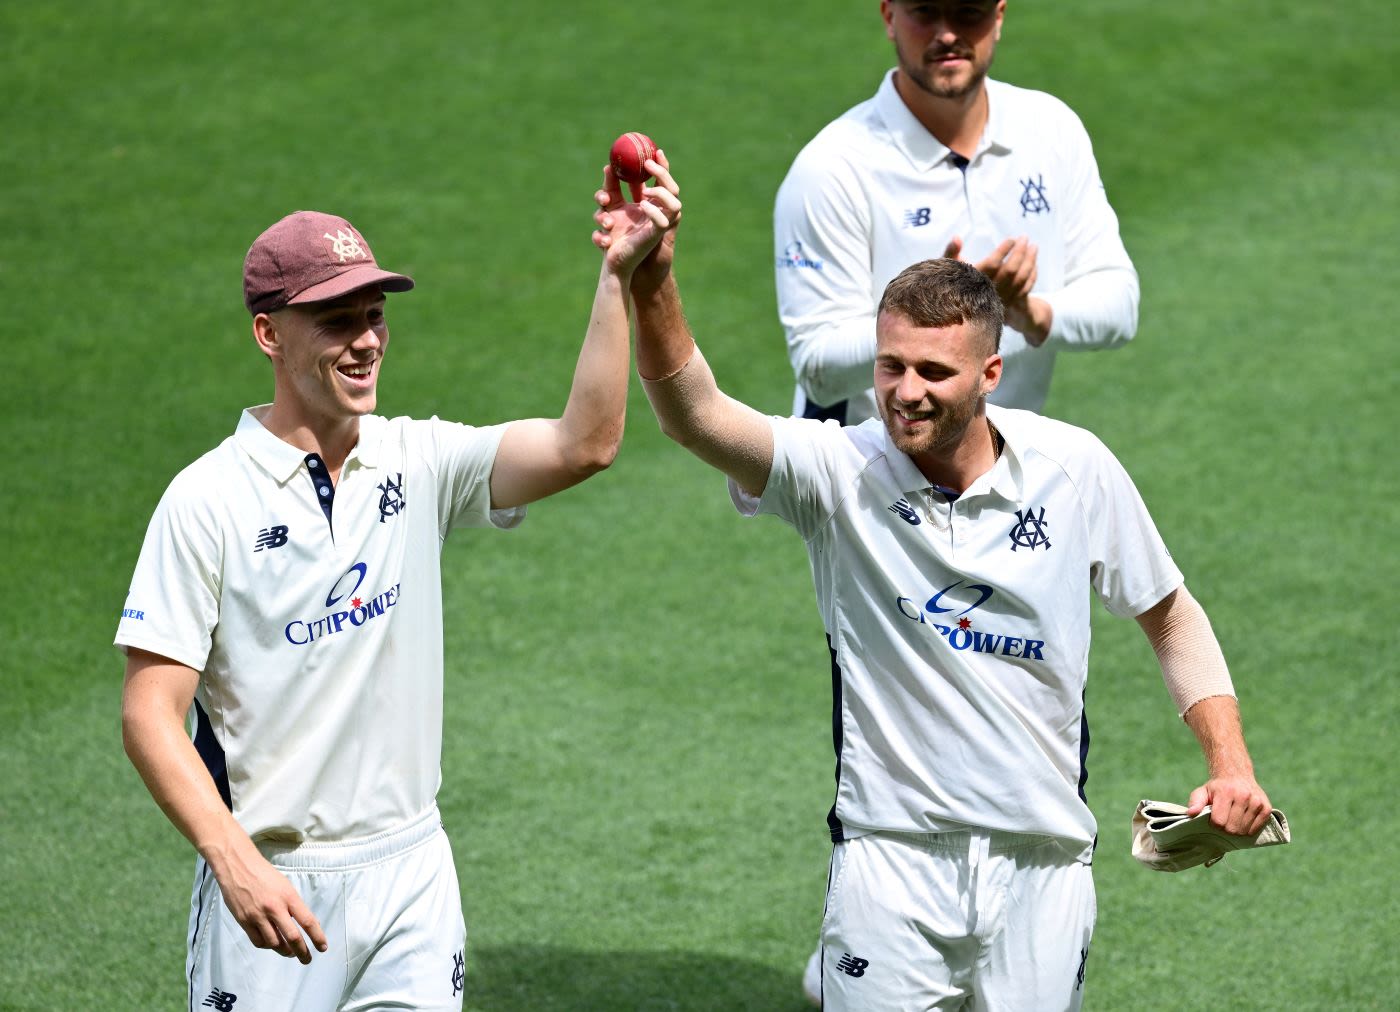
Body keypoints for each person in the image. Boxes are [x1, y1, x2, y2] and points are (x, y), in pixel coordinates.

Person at [598, 180, 1270, 1007]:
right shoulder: (836, 472)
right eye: (890, 365)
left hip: (1044, 862)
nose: (904, 392)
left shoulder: (1074, 469)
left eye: (933, 371)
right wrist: (653, 276)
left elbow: (1169, 614)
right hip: (889, 860)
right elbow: (693, 415)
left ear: (991, 372)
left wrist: (1228, 763)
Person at [116, 162, 680, 1011]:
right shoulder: (206, 501)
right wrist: (233, 862)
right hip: (276, 885)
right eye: (338, 320)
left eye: (374, 315)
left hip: (413, 873)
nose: (367, 340)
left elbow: (584, 444)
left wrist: (616, 278)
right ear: (270, 334)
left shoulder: (415, 460)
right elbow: (149, 712)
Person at [774, 0, 1139, 424]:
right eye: (926, 12)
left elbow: (1119, 305)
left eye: (968, 11)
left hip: (999, 464)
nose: (946, 33)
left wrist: (1028, 313)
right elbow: (818, 368)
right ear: (889, 16)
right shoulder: (831, 169)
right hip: (866, 467)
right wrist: (938, 314)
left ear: (999, 17)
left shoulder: (1051, 130)